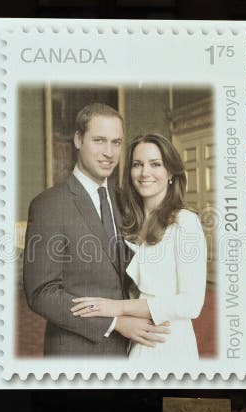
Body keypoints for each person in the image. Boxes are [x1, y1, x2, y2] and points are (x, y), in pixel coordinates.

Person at [23, 103, 169, 357]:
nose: (109, 153)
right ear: (78, 139)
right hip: (76, 352)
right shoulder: (49, 204)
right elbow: (41, 293)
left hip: (132, 351)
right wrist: (115, 323)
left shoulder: (125, 200)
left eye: (116, 142)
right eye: (99, 140)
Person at [71, 133, 207, 366]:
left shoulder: (185, 222)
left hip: (168, 341)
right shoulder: (127, 223)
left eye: (155, 164)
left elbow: (191, 304)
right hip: (133, 336)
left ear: (171, 173)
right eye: (138, 164)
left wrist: (116, 307)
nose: (145, 173)